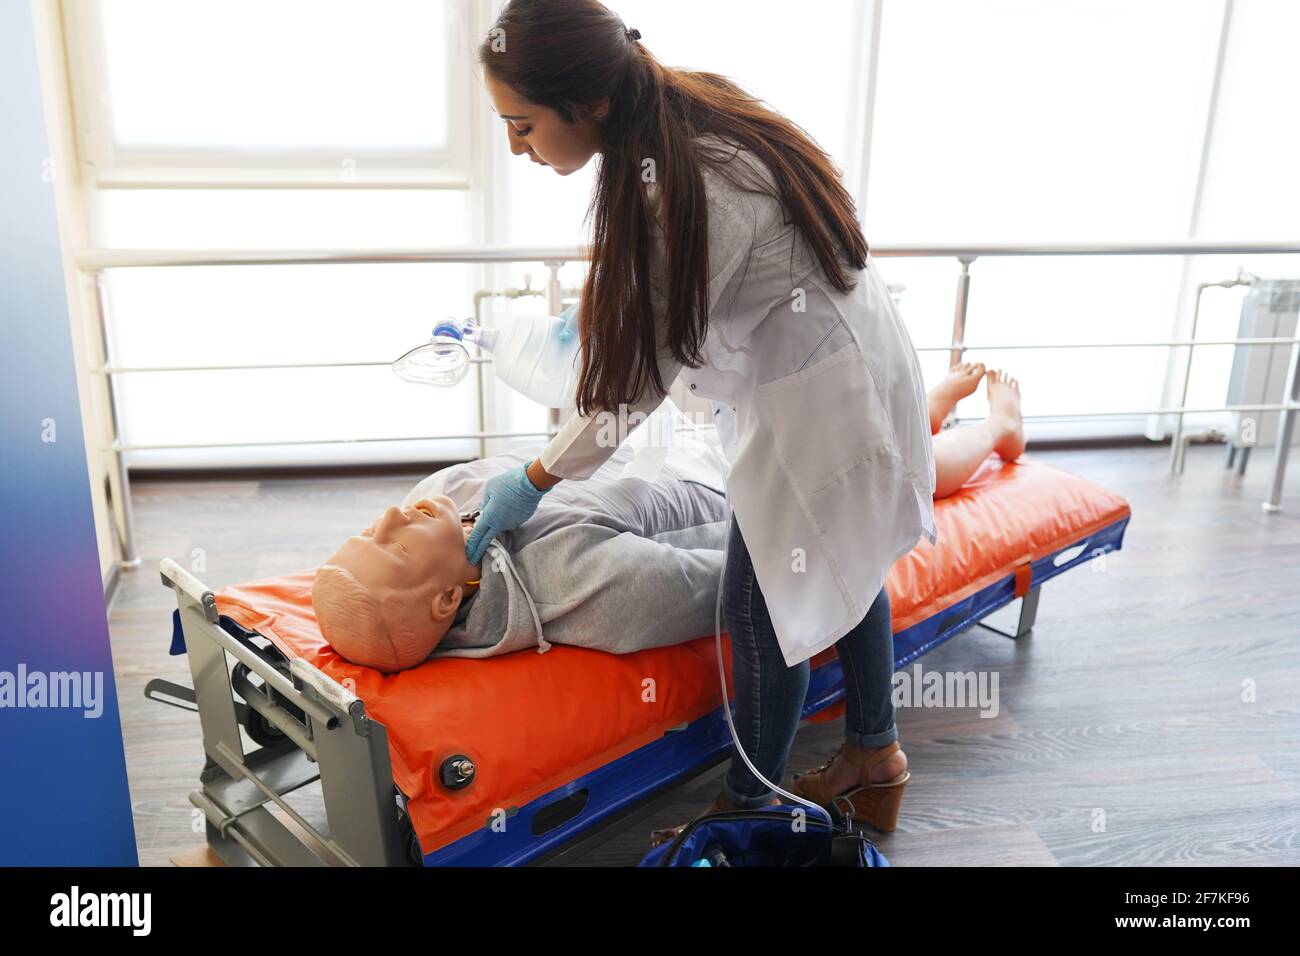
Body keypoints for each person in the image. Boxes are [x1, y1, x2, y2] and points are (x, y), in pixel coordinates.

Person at [468, 0, 981, 842]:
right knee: (842, 561)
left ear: (586, 102)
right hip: (831, 373)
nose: (516, 147)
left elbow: (634, 387)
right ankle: (874, 757)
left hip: (822, 400)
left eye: (521, 125)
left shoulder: (680, 181)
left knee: (764, 606)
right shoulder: (676, 116)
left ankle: (753, 811)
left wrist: (529, 481)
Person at [312, 369, 1024, 675]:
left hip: (684, 450)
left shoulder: (446, 499)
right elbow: (712, 586)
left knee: (862, 435)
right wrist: (826, 557)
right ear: (446, 601)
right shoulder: (565, 585)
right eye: (393, 544)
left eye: (372, 527)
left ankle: (919, 415)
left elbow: (555, 457)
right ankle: (994, 430)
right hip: (741, 492)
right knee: (900, 475)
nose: (390, 515)